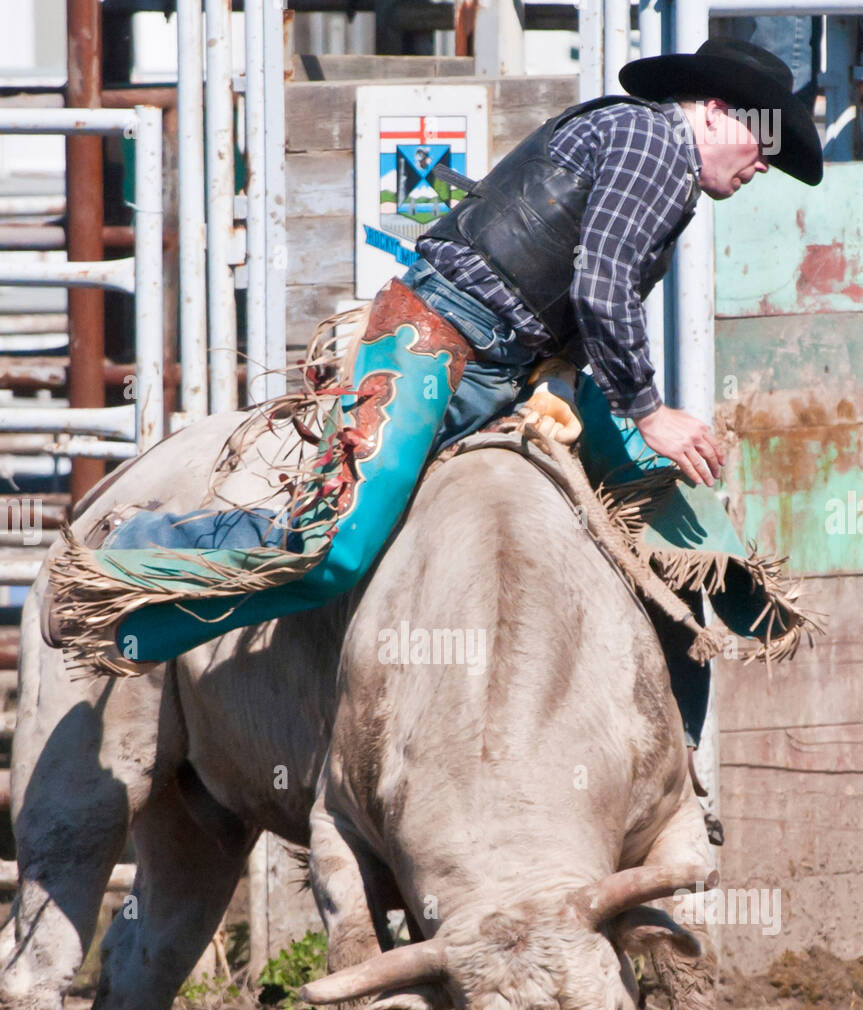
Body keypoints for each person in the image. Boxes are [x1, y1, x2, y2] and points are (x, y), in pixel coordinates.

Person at [46, 37, 822, 769]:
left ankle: (668, 766)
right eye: (764, 145)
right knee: (333, 550)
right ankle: (131, 554)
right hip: (434, 343)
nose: (763, 167)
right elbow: (603, 285)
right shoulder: (655, 143)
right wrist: (649, 411)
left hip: (514, 363)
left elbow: (587, 291)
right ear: (717, 110)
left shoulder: (651, 153)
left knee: (686, 539)